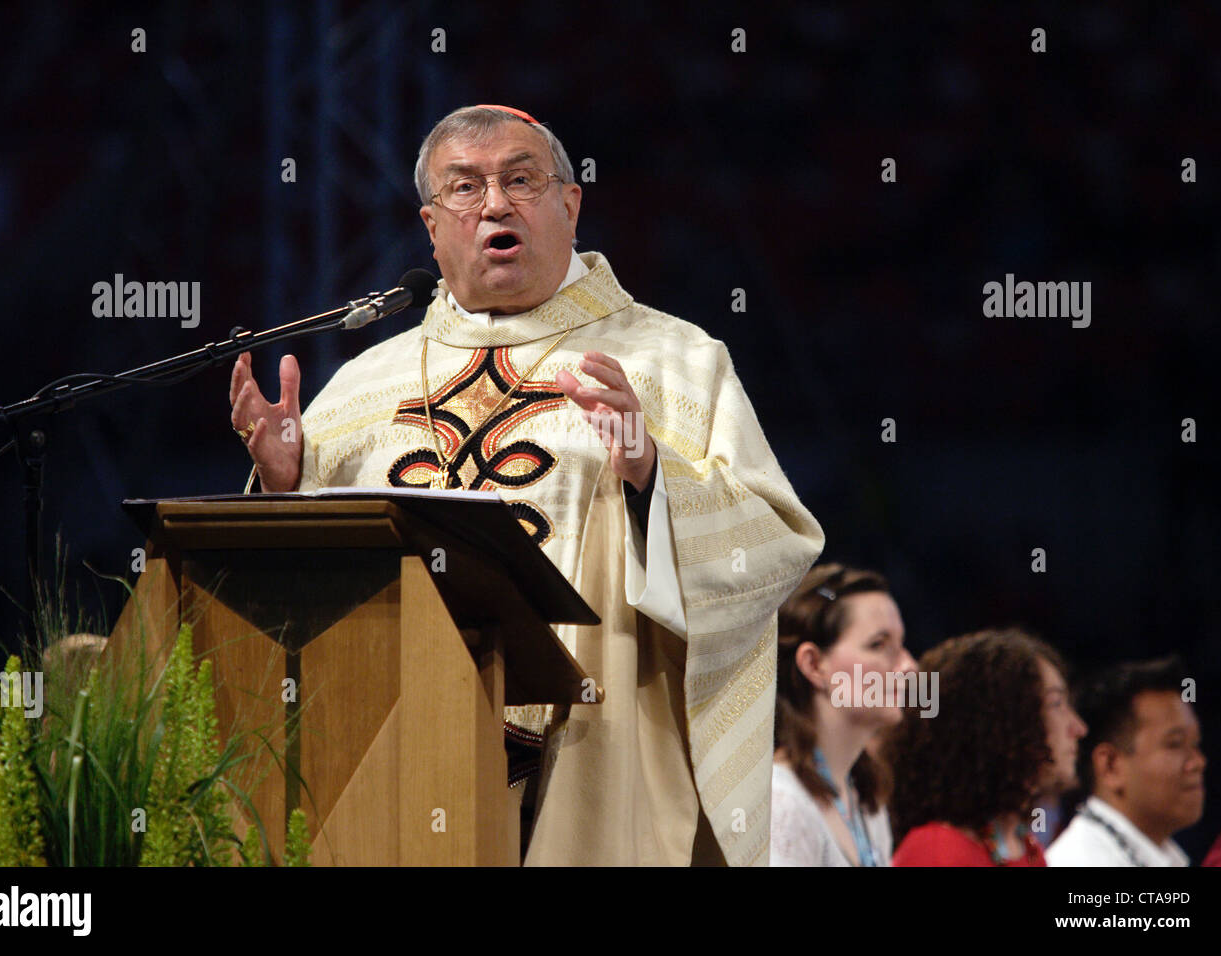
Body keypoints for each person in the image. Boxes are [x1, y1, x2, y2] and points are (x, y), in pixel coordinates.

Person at [227, 105, 825, 865]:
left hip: (588, 757)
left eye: (520, 180)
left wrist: (652, 477)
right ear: (431, 226)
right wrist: (285, 488)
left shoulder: (673, 362)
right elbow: (304, 598)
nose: (496, 205)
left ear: (570, 205)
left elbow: (774, 542)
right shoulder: (360, 386)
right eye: (465, 189)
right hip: (394, 765)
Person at [886, 628, 1087, 866]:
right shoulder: (936, 853)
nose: (1078, 728)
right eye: (1056, 703)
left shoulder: (1025, 847)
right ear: (998, 723)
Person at [770, 563, 915, 866]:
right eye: (879, 644)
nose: (908, 666)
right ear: (813, 664)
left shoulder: (867, 801)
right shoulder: (782, 804)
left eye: (901, 645)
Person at [1047, 657, 1204, 867]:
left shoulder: (1167, 856)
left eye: (1195, 744)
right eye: (1174, 744)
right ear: (1110, 765)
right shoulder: (1080, 861)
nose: (1198, 762)